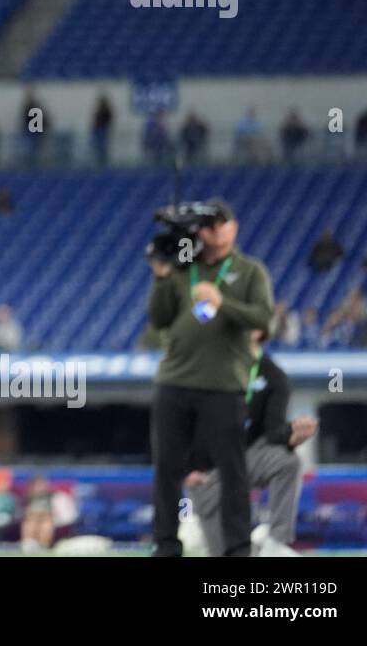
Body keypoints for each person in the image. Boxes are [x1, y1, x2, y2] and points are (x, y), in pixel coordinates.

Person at [147, 198, 274, 556]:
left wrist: (222, 302)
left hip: (223, 386)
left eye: (220, 224)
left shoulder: (250, 271)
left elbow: (264, 319)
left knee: (233, 472)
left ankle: (237, 548)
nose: (213, 231)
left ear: (233, 228)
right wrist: (159, 277)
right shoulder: (183, 268)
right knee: (167, 469)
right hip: (174, 381)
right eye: (206, 225)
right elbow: (159, 319)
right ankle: (167, 545)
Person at [185, 328, 318, 556]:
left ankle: (275, 541)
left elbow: (273, 432)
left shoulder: (273, 375)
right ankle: (254, 544)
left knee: (288, 461)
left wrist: (291, 435)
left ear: (257, 332)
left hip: (247, 458)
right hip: (210, 470)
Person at [90, 94, 113, 166]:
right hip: (97, 130)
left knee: (102, 147)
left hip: (102, 129)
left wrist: (104, 125)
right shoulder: (99, 110)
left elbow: (109, 119)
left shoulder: (106, 110)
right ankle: (98, 160)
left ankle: (102, 161)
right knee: (97, 146)